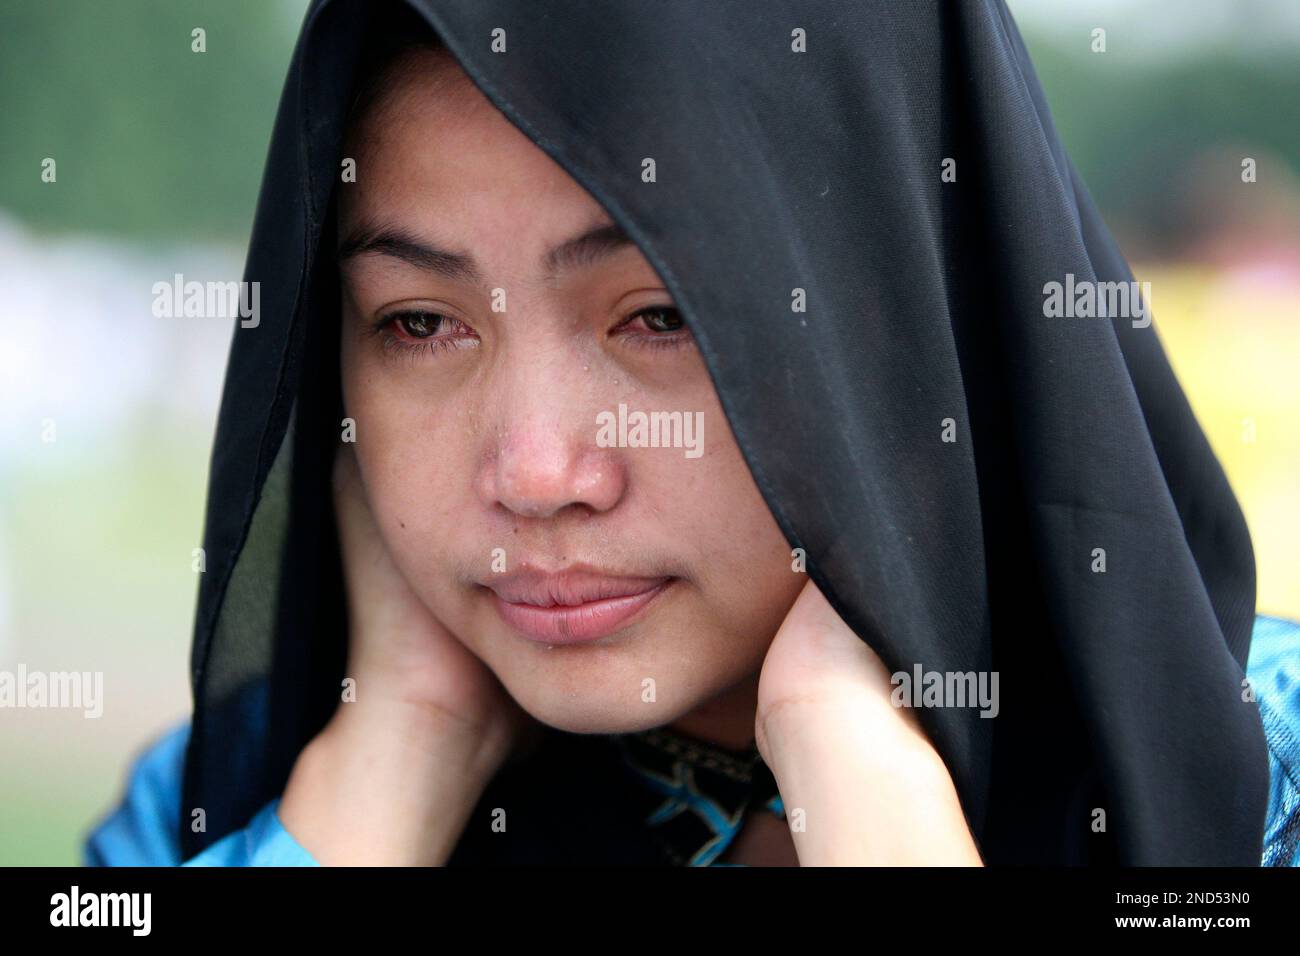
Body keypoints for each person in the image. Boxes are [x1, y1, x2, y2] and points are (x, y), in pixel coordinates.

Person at [85, 0, 1300, 867]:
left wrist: (855, 767)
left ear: (904, 327)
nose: (538, 472)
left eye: (662, 314)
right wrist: (400, 750)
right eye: (418, 323)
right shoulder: (231, 801)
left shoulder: (1255, 785)